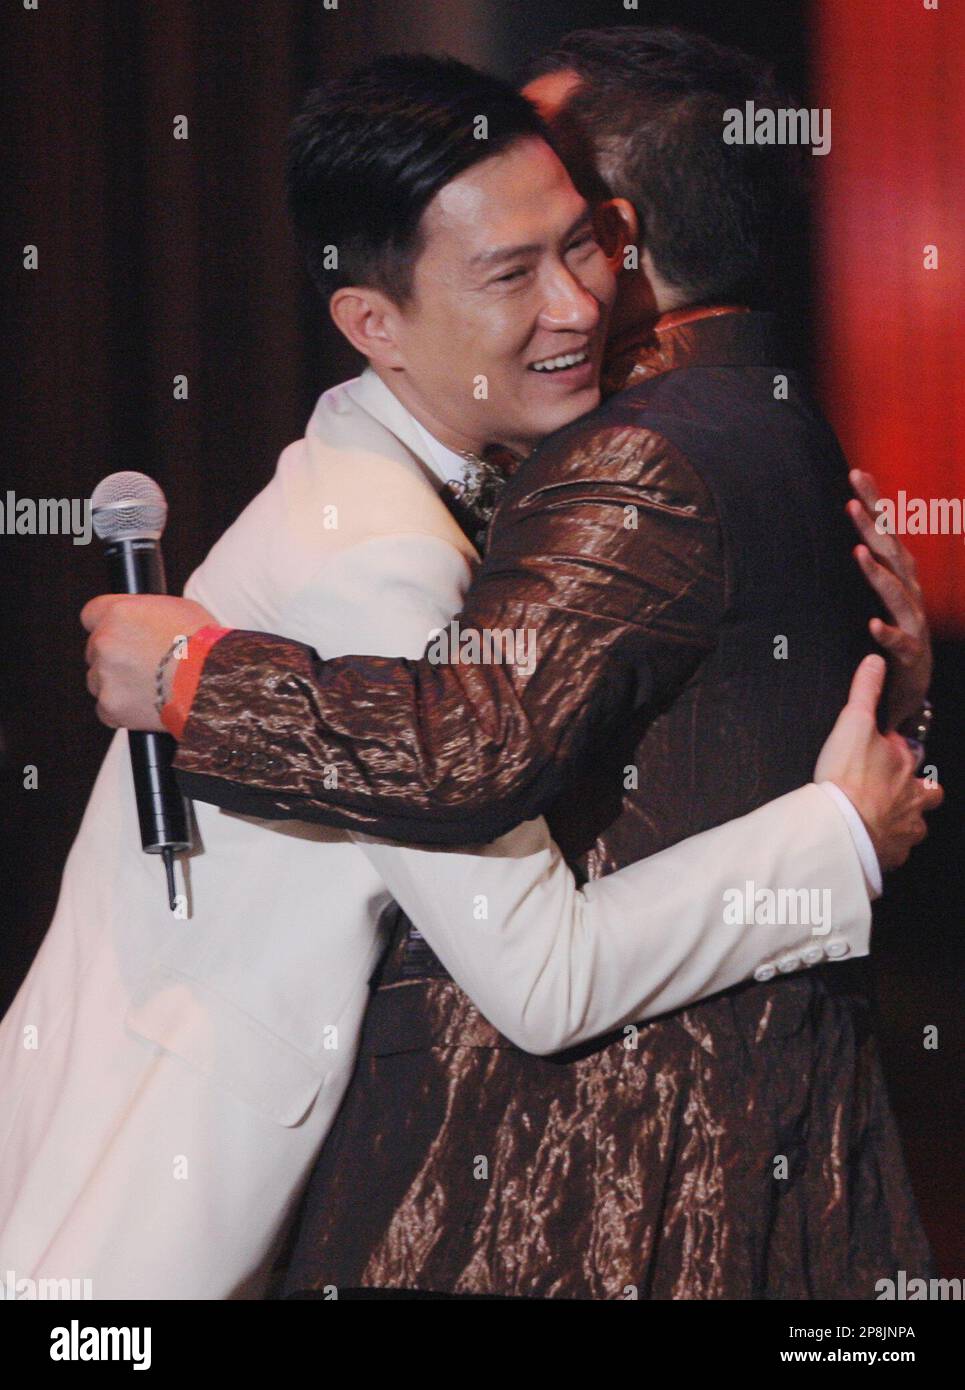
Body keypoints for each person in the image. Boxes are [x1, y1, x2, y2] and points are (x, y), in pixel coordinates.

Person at [0, 54, 925, 1304]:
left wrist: (886, 684)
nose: (577, 306)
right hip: (147, 1214)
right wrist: (832, 842)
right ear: (374, 324)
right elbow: (544, 979)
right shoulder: (376, 557)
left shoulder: (435, 484)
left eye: (581, 249)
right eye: (509, 276)